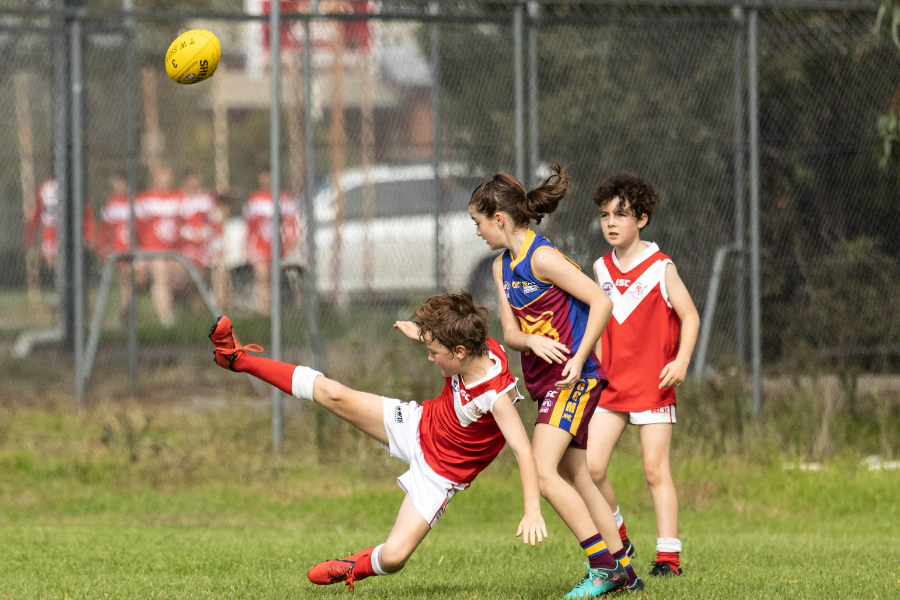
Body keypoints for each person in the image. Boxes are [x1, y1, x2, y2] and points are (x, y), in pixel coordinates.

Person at [208, 292, 546, 594]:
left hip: (440, 474)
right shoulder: (472, 346)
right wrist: (425, 333)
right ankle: (236, 358)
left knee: (396, 557)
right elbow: (450, 339)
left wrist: (532, 510)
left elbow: (523, 450)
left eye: (434, 352)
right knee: (333, 393)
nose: (429, 357)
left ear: (459, 352)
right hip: (417, 424)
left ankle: (354, 566)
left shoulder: (494, 395)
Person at [468, 166, 641, 597]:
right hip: (546, 385)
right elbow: (510, 335)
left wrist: (579, 358)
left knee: (543, 472)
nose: (477, 231)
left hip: (575, 379)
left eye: (478, 222)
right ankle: (626, 573)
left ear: (500, 219)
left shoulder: (541, 258)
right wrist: (530, 341)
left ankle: (603, 568)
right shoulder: (500, 268)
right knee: (576, 474)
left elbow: (600, 300)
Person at [587, 172, 699, 578]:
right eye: (604, 215)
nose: (611, 222)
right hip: (612, 385)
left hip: (653, 385)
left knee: (655, 470)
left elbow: (690, 316)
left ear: (643, 220)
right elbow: (600, 326)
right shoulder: (600, 267)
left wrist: (682, 361)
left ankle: (668, 558)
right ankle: (620, 535)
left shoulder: (660, 265)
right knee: (591, 468)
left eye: (622, 214)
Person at [243, 169, 300, 315]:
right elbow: (250, 225)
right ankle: (263, 311)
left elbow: (291, 221)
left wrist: (292, 240)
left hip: (278, 246)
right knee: (262, 277)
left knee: (277, 278)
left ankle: (281, 309)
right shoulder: (255, 199)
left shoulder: (283, 198)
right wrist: (247, 244)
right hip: (260, 245)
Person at [135, 166, 184, 326]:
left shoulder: (180, 197)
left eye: (168, 176)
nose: (165, 180)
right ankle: (166, 319)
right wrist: (140, 260)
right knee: (161, 278)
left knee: (179, 281)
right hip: (154, 250)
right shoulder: (145, 199)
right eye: (162, 176)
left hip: (177, 251)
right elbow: (138, 230)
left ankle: (184, 315)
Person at [23, 178, 96, 271]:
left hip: (64, 226)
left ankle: (66, 274)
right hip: (49, 227)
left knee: (64, 255)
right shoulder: (45, 187)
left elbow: (82, 208)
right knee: (50, 256)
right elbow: (38, 206)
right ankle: (58, 277)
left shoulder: (69, 184)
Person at [98, 175, 134, 319]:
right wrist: (104, 246)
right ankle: (127, 308)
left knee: (132, 277)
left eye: (120, 184)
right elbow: (105, 229)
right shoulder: (111, 204)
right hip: (120, 247)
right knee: (125, 278)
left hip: (135, 246)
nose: (118, 188)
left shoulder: (135, 201)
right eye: (115, 185)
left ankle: (128, 307)